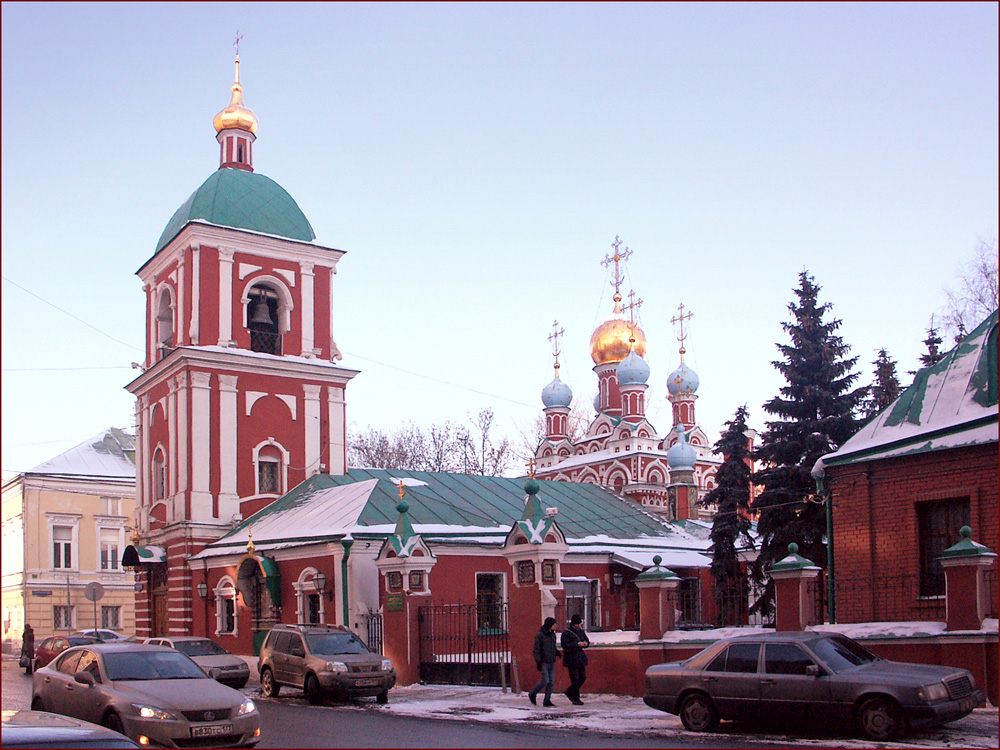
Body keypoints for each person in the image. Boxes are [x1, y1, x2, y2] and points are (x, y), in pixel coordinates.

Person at [527, 616, 560, 707]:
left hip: (551, 660)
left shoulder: (553, 635)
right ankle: (533, 693)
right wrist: (538, 661)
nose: (555, 626)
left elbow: (552, 646)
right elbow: (536, 650)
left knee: (551, 682)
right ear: (549, 625)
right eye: (553, 624)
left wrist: (557, 652)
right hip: (544, 661)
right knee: (545, 680)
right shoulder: (540, 635)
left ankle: (547, 700)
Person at [561, 614, 589, 705]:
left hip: (580, 658)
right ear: (573, 624)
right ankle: (576, 698)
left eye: (580, 624)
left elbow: (587, 640)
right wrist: (577, 644)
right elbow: (565, 645)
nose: (579, 625)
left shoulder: (581, 632)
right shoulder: (566, 633)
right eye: (577, 624)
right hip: (571, 659)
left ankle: (569, 691)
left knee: (583, 678)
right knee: (575, 679)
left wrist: (586, 643)